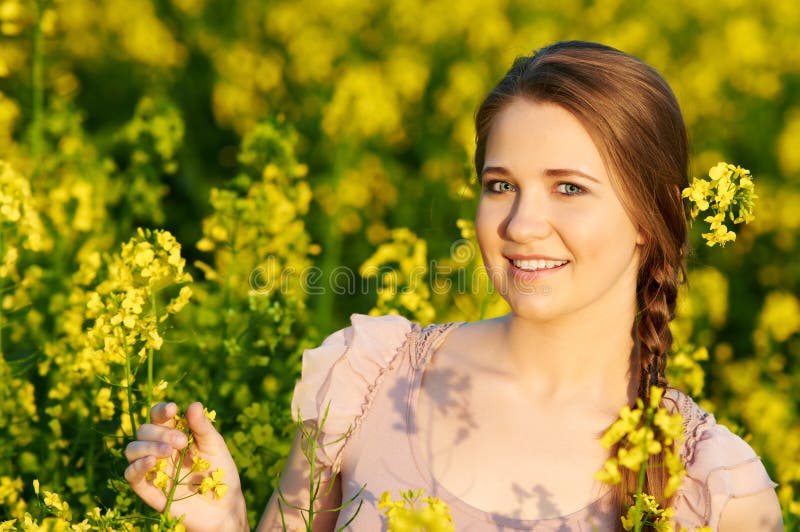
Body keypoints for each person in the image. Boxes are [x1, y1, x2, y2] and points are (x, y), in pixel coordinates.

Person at [124, 41, 783, 531]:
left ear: (649, 216)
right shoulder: (366, 377)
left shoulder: (714, 487)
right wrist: (226, 522)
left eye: (569, 189)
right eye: (501, 186)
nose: (523, 224)